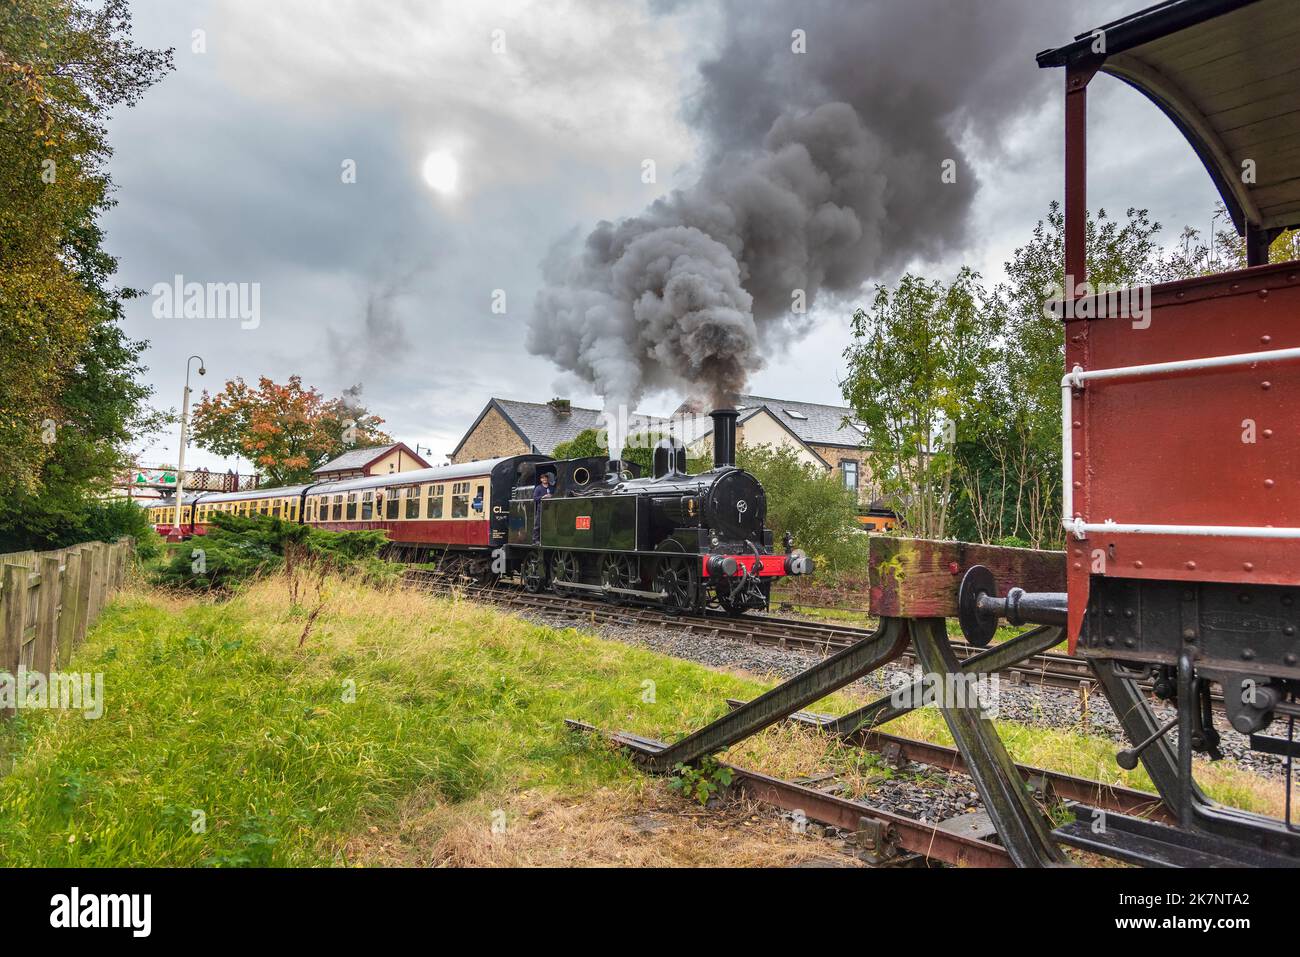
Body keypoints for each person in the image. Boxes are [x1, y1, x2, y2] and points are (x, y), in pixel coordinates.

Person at [532, 472, 553, 543]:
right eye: (543, 478)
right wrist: (543, 497)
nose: (544, 479)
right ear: (541, 480)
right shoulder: (538, 488)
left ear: (547, 479)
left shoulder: (551, 487)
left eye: (546, 478)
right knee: (538, 524)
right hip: (541, 508)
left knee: (550, 524)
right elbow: (535, 498)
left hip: (550, 508)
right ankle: (536, 539)